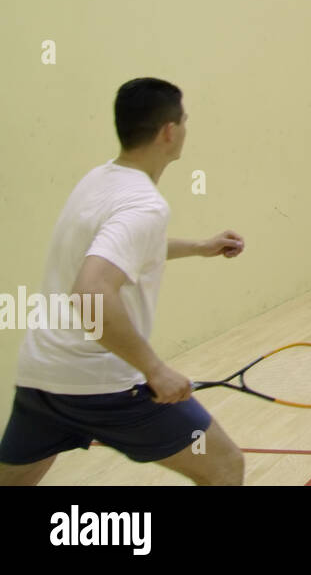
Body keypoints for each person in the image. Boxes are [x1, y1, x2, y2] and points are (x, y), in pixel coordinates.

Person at [0, 78, 247, 485]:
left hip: (41, 377)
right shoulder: (145, 204)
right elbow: (91, 291)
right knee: (224, 466)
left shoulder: (98, 179)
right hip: (105, 387)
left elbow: (119, 251)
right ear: (169, 131)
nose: (186, 128)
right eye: (184, 120)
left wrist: (201, 246)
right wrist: (155, 369)